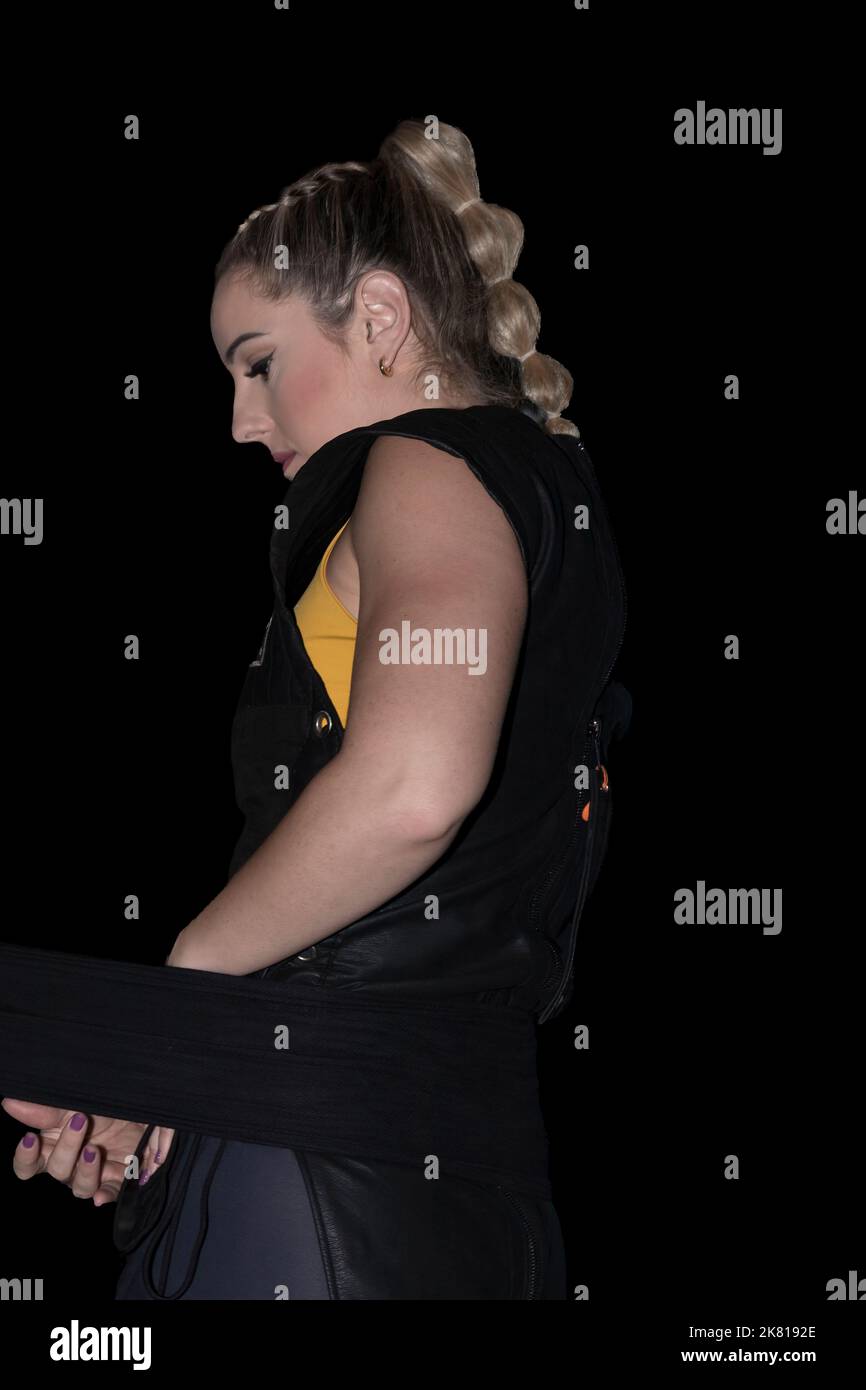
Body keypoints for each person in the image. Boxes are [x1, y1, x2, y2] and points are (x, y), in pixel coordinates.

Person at [3, 117, 628, 1299]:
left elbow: (411, 788)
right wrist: (153, 1080)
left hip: (323, 1179)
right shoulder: (556, 504)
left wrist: (179, 1007)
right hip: (466, 1182)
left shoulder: (427, 464)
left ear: (381, 321)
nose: (241, 421)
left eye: (257, 361)